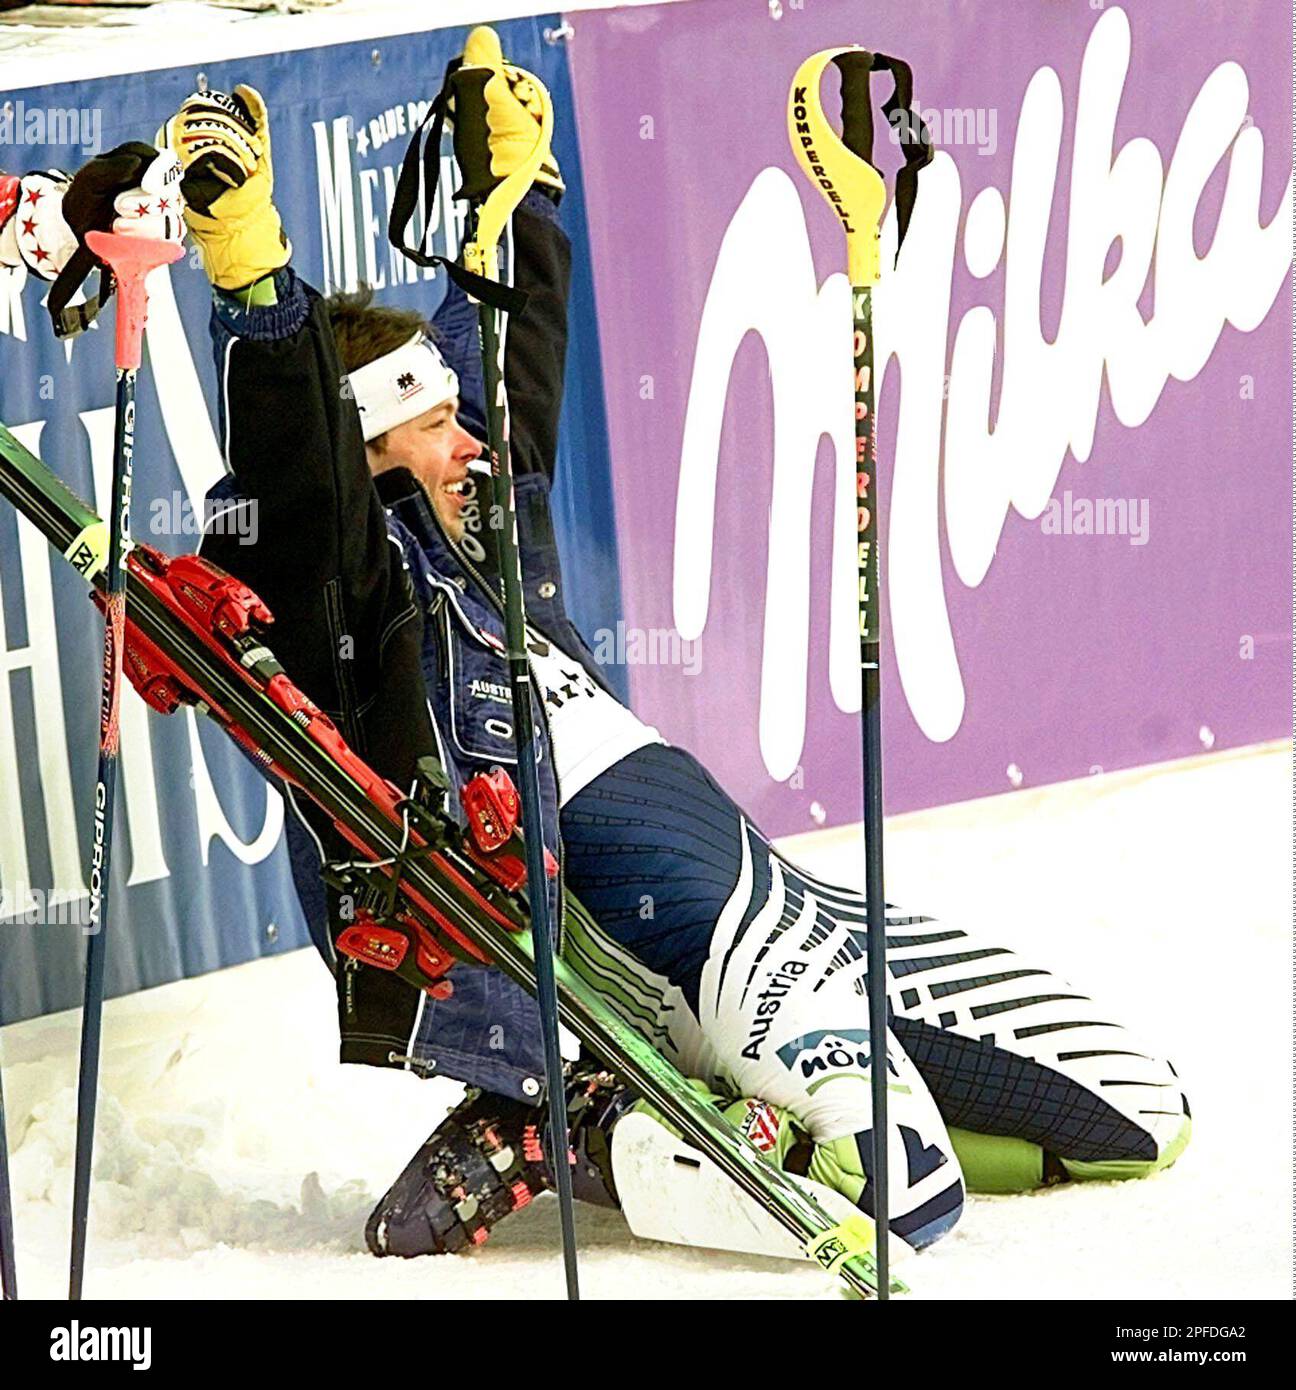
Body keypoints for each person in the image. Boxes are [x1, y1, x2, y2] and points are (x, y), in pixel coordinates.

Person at [145, 27, 1190, 1263]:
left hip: (754, 880)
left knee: (1141, 1113)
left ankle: (598, 1112)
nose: (474, 446)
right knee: (896, 1198)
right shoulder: (358, 591)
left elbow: (506, 339)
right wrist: (256, 281)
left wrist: (516, 190)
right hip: (647, 921)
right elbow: (298, 484)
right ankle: (582, 1128)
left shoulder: (489, 528)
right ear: (366, 452)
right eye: (434, 429)